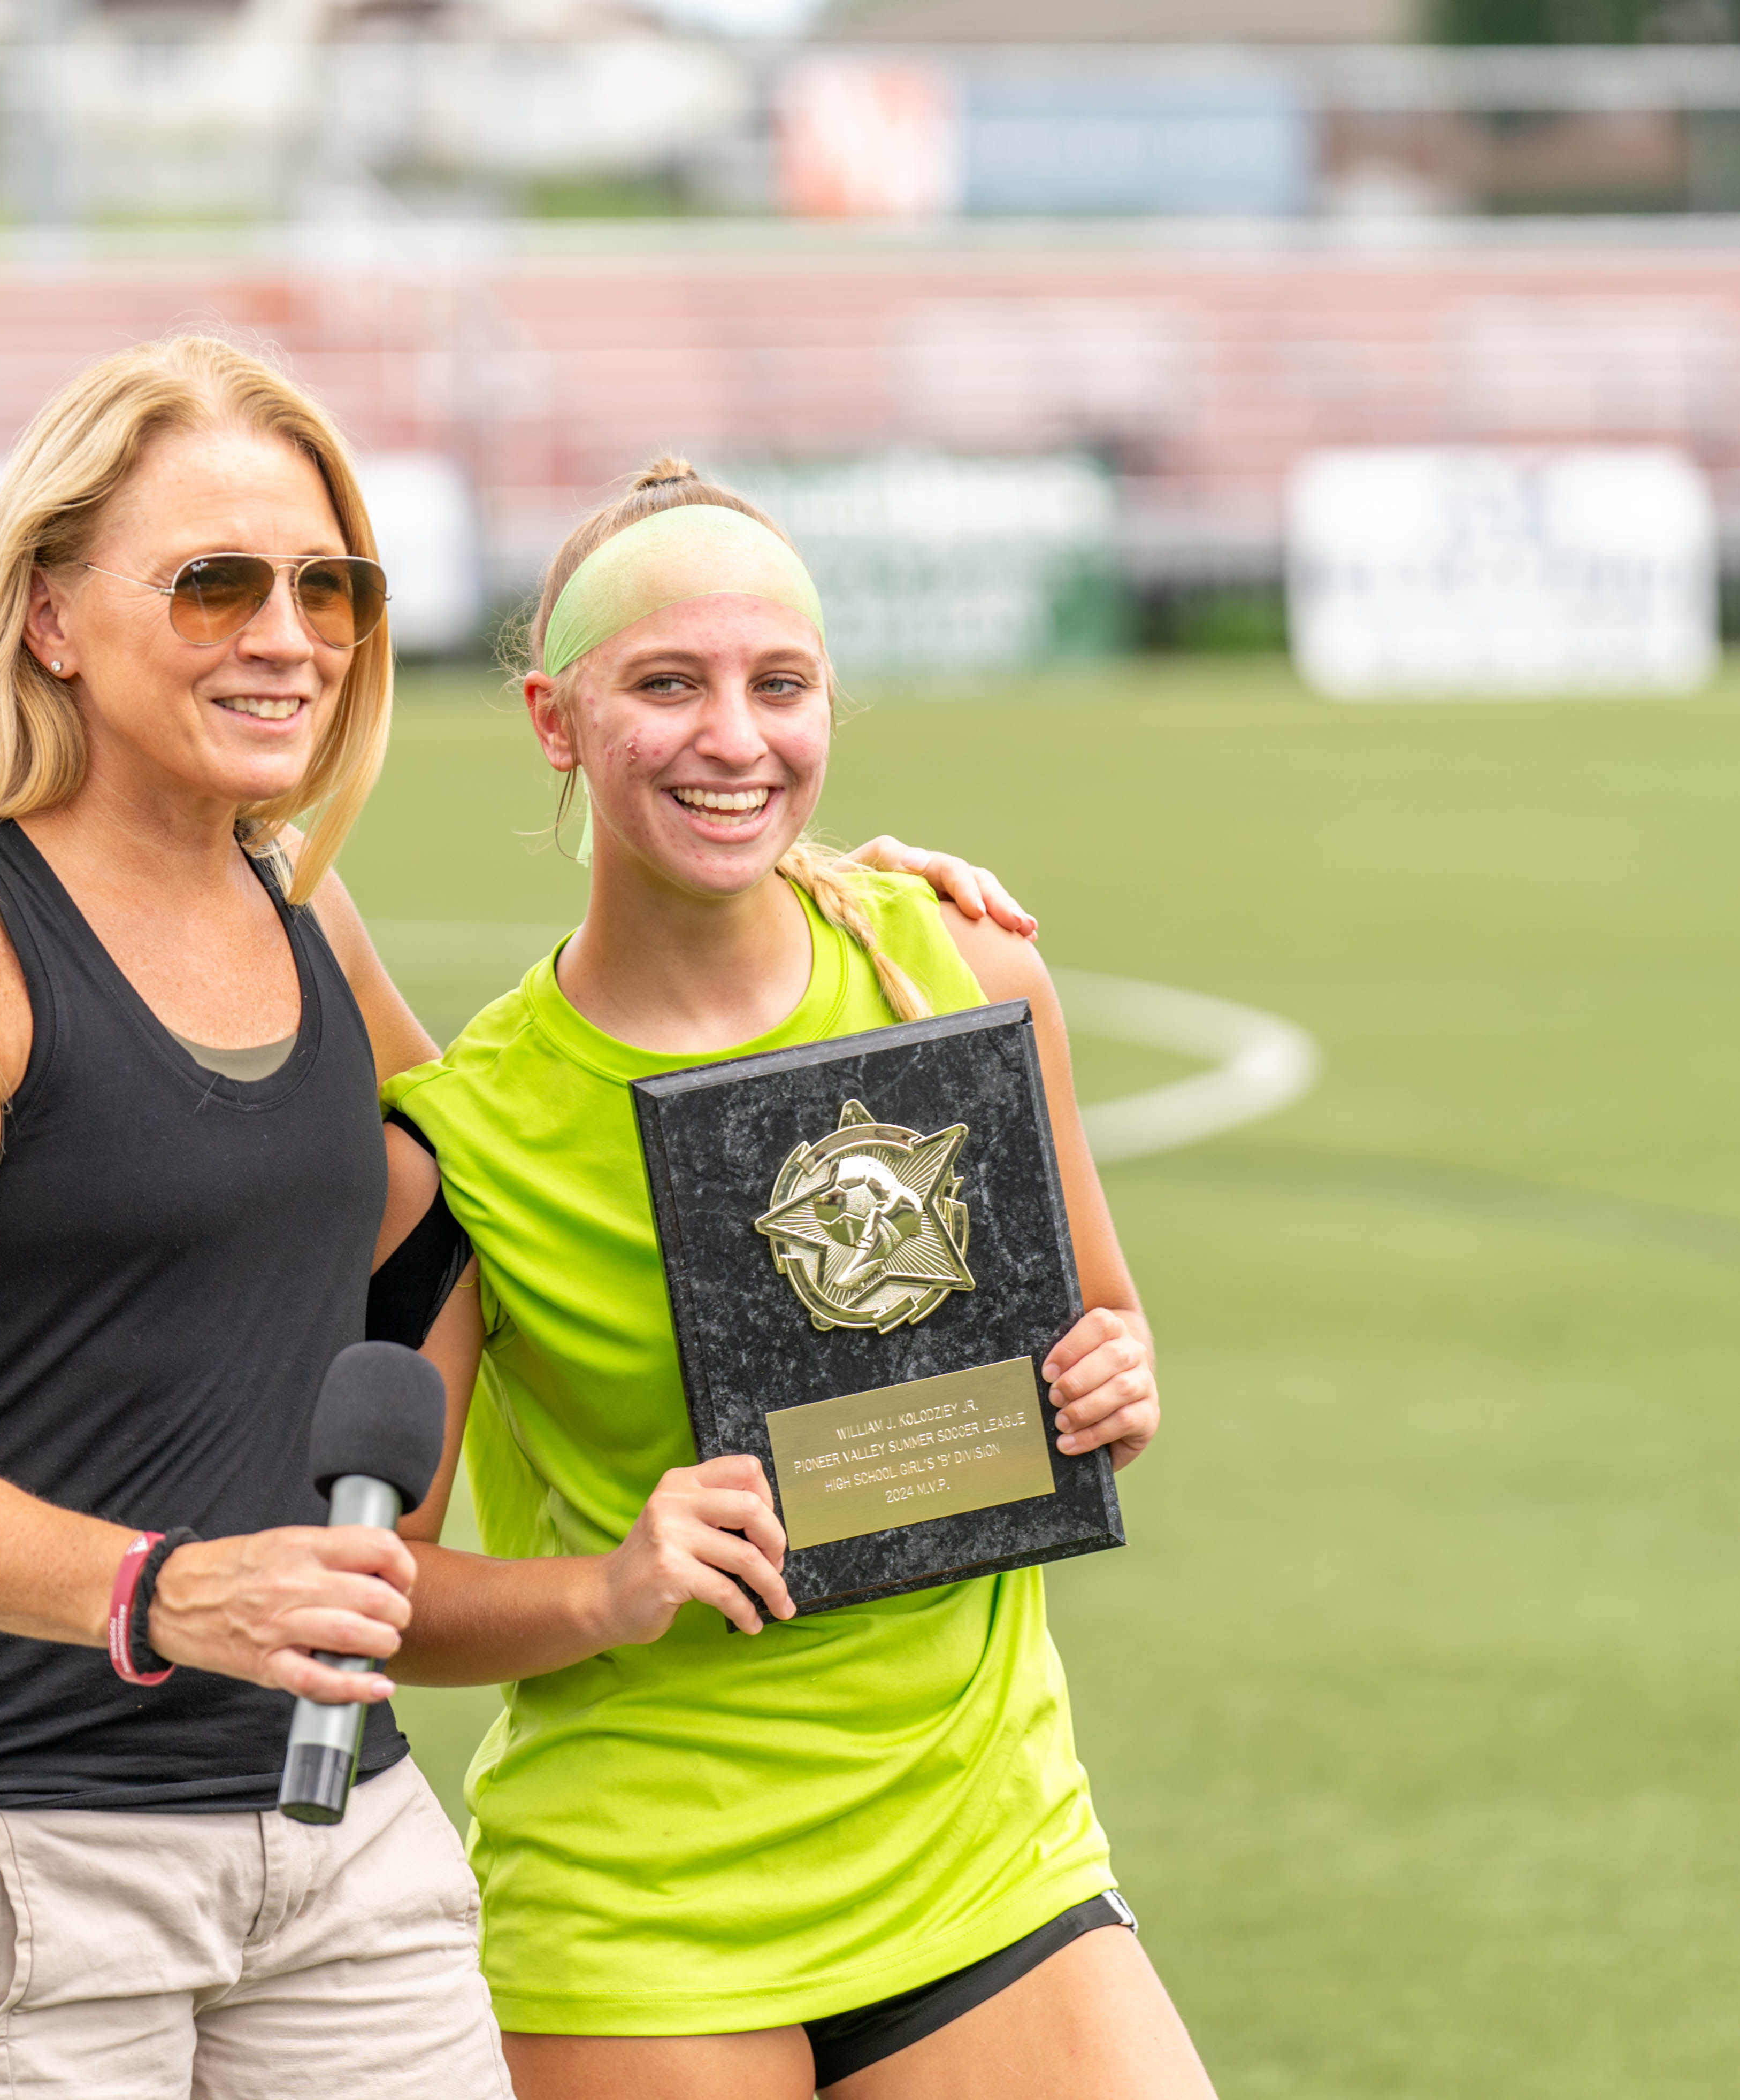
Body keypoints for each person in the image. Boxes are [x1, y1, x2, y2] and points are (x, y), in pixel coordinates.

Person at [0, 340, 1022, 2098]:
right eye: (215, 583)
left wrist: (798, 880)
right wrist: (165, 1593)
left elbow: (528, 1144)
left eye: (330, 586)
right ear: (48, 612)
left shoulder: (304, 924)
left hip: (329, 1845)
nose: (286, 635)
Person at [383, 459, 1216, 2098]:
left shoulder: (955, 973)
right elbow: (380, 1591)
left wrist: (1115, 1385)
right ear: (557, 721)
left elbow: (1098, 1341)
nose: (734, 739)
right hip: (641, 1913)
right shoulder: (460, 1137)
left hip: (986, 1847)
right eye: (666, 685)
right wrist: (607, 1586)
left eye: (780, 685)